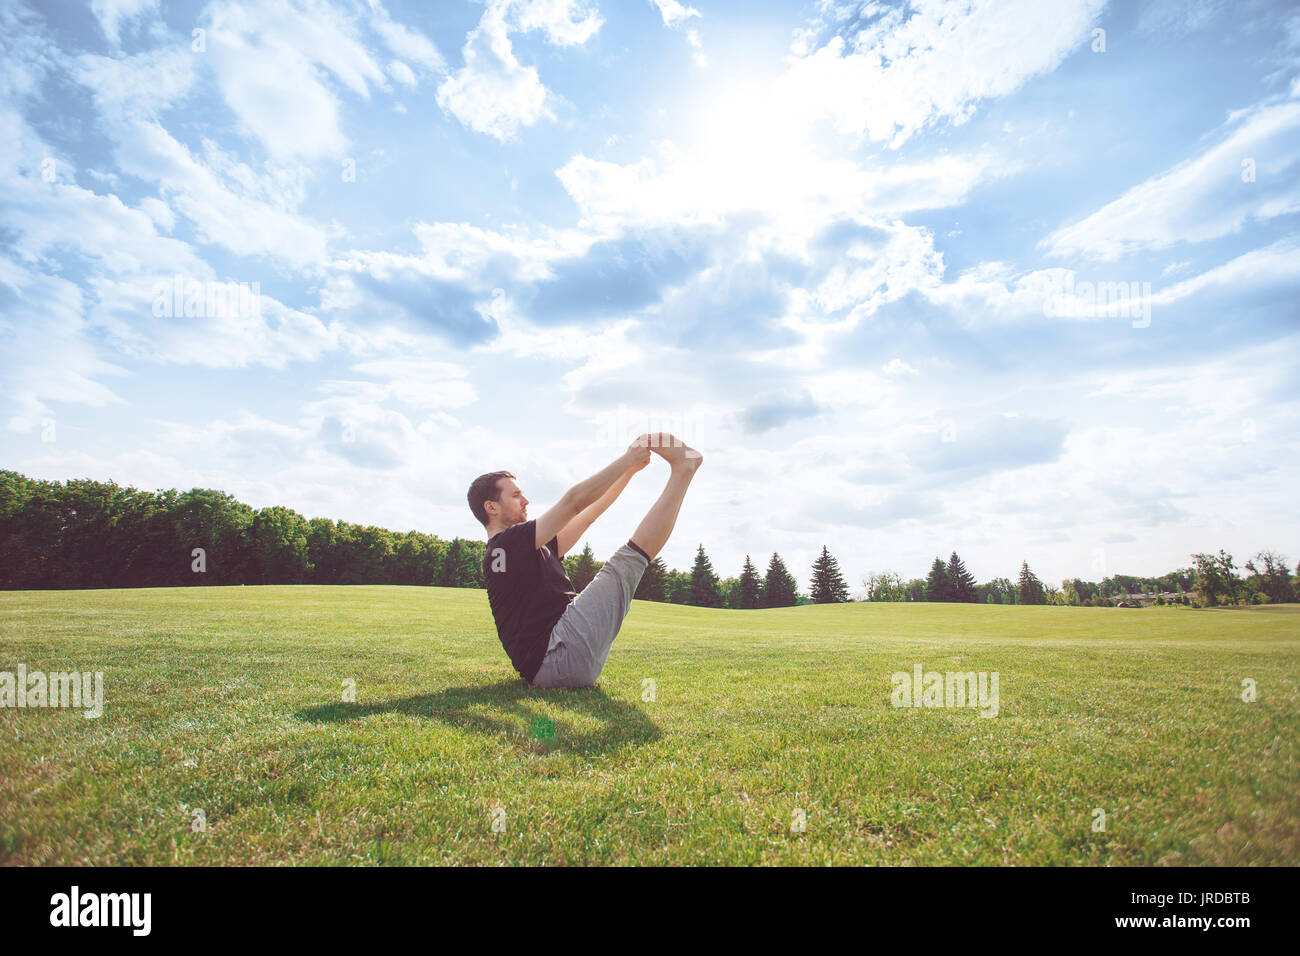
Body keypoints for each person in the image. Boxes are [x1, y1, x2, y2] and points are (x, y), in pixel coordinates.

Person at [467, 433, 702, 688]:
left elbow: (590, 512)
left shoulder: (520, 549)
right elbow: (574, 502)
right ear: (491, 507)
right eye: (515, 495)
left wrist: (630, 471)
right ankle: (683, 471)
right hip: (556, 657)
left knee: (625, 564)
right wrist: (626, 460)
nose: (526, 501)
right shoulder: (504, 545)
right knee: (624, 564)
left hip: (560, 657)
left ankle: (683, 470)